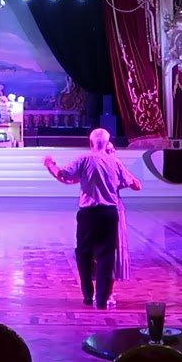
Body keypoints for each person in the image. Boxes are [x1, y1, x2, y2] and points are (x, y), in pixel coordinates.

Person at [43, 128, 140, 309]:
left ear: (91, 143)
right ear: (107, 143)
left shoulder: (84, 160)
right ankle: (102, 298)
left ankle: (88, 294)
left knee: (84, 253)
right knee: (107, 254)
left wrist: (50, 164)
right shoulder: (115, 162)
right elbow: (133, 184)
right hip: (109, 213)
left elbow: (62, 175)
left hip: (88, 214)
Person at [104, 143, 141, 303]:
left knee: (98, 252)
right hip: (113, 210)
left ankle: (99, 292)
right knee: (113, 251)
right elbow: (136, 185)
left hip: (93, 211)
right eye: (111, 150)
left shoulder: (90, 162)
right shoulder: (115, 164)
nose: (113, 152)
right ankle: (107, 293)